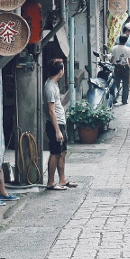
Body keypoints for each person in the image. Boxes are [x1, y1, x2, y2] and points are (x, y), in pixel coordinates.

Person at [44, 59, 77, 191]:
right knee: (55, 153)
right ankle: (51, 182)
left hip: (60, 123)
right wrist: (57, 130)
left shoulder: (54, 84)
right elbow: (51, 111)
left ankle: (63, 180)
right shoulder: (50, 87)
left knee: (63, 152)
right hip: (54, 125)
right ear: (60, 71)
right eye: (63, 69)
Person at [109, 34, 130, 106]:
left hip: (117, 68)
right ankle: (124, 100)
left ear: (119, 39)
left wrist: (111, 63)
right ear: (126, 41)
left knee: (115, 84)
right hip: (125, 68)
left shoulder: (114, 48)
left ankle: (114, 99)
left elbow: (112, 59)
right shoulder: (127, 49)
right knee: (125, 85)